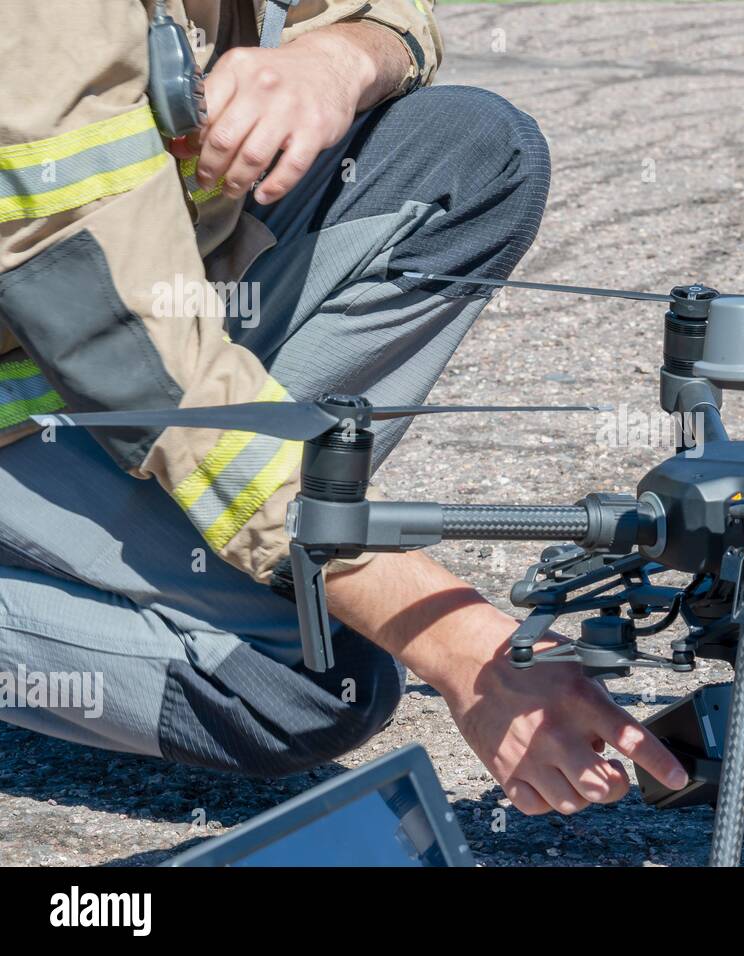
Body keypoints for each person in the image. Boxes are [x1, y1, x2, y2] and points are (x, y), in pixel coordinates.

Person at [0, 0, 687, 816]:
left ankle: (251, 539)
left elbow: (393, 13)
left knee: (471, 151)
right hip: (88, 354)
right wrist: (461, 645)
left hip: (134, 329)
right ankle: (257, 540)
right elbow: (137, 360)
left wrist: (335, 60)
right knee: (309, 681)